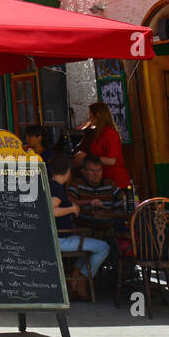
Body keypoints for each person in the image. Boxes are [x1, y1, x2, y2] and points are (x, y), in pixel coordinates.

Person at [48, 156, 109, 298]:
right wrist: (72, 209)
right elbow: (51, 210)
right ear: (68, 172)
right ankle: (82, 280)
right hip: (61, 239)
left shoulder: (49, 185)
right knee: (104, 247)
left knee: (88, 246)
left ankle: (75, 277)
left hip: (57, 236)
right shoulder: (57, 187)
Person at [77, 103, 131, 190]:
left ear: (97, 115)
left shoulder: (110, 134)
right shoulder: (98, 133)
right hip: (103, 180)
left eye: (90, 115)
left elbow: (111, 160)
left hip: (116, 181)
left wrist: (87, 158)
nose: (89, 118)